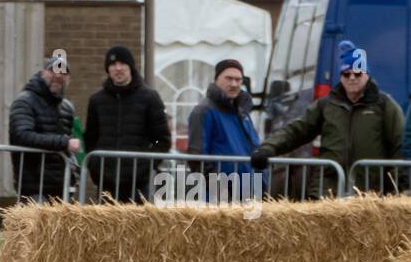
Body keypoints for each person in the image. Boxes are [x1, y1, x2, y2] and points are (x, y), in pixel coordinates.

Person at [251, 41, 406, 194]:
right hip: (328, 192)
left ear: (367, 75)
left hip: (370, 193)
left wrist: (401, 185)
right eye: (346, 74)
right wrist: (268, 147)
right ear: (341, 76)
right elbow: (297, 130)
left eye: (357, 73)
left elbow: (400, 145)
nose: (352, 78)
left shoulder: (384, 105)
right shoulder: (326, 105)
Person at [83, 45, 171, 202]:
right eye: (113, 64)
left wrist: (144, 165)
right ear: (108, 69)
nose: (118, 68)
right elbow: (90, 138)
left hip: (139, 184)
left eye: (122, 63)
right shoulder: (97, 100)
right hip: (106, 182)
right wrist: (96, 167)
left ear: (130, 66)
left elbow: (162, 140)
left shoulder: (150, 98)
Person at [8, 52, 79, 202]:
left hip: (61, 187)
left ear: (69, 79)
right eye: (53, 70)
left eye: (63, 72)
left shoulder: (67, 107)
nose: (58, 76)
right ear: (42, 73)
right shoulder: (25, 101)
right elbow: (22, 135)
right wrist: (64, 142)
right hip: (34, 188)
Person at [186, 58, 261, 195]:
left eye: (238, 80)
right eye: (229, 78)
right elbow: (197, 156)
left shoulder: (242, 112)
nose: (234, 84)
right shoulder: (203, 112)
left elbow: (254, 147)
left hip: (247, 192)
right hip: (219, 195)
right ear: (216, 79)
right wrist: (219, 189)